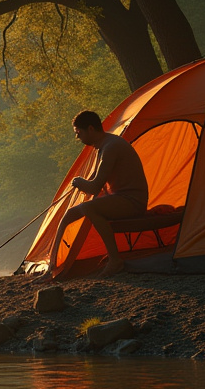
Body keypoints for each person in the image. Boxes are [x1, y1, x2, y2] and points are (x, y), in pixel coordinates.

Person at [46, 111, 150, 278]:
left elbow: (94, 187)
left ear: (91, 129)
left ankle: (115, 261)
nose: (77, 138)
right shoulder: (102, 146)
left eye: (78, 133)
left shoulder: (111, 146)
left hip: (132, 202)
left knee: (89, 208)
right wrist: (81, 184)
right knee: (69, 214)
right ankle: (52, 265)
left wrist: (78, 182)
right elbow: (95, 179)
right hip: (118, 200)